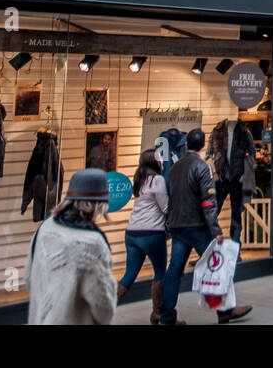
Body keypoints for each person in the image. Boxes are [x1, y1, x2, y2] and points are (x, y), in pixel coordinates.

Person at [159, 128, 252, 325]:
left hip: (178, 226)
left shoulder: (175, 168)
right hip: (197, 226)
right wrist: (216, 230)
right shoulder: (202, 168)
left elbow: (170, 196)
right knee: (217, 267)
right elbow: (209, 202)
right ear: (202, 146)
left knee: (174, 271)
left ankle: (167, 315)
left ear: (186, 145)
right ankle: (225, 310)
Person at [26, 168, 116, 325]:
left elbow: (29, 277)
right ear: (99, 205)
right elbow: (103, 309)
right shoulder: (92, 243)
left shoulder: (45, 228)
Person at [117, 149, 167, 324]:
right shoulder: (158, 180)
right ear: (155, 163)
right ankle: (157, 313)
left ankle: (101, 312)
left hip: (132, 233)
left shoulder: (139, 180)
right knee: (160, 272)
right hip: (152, 232)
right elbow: (166, 208)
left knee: (129, 276)